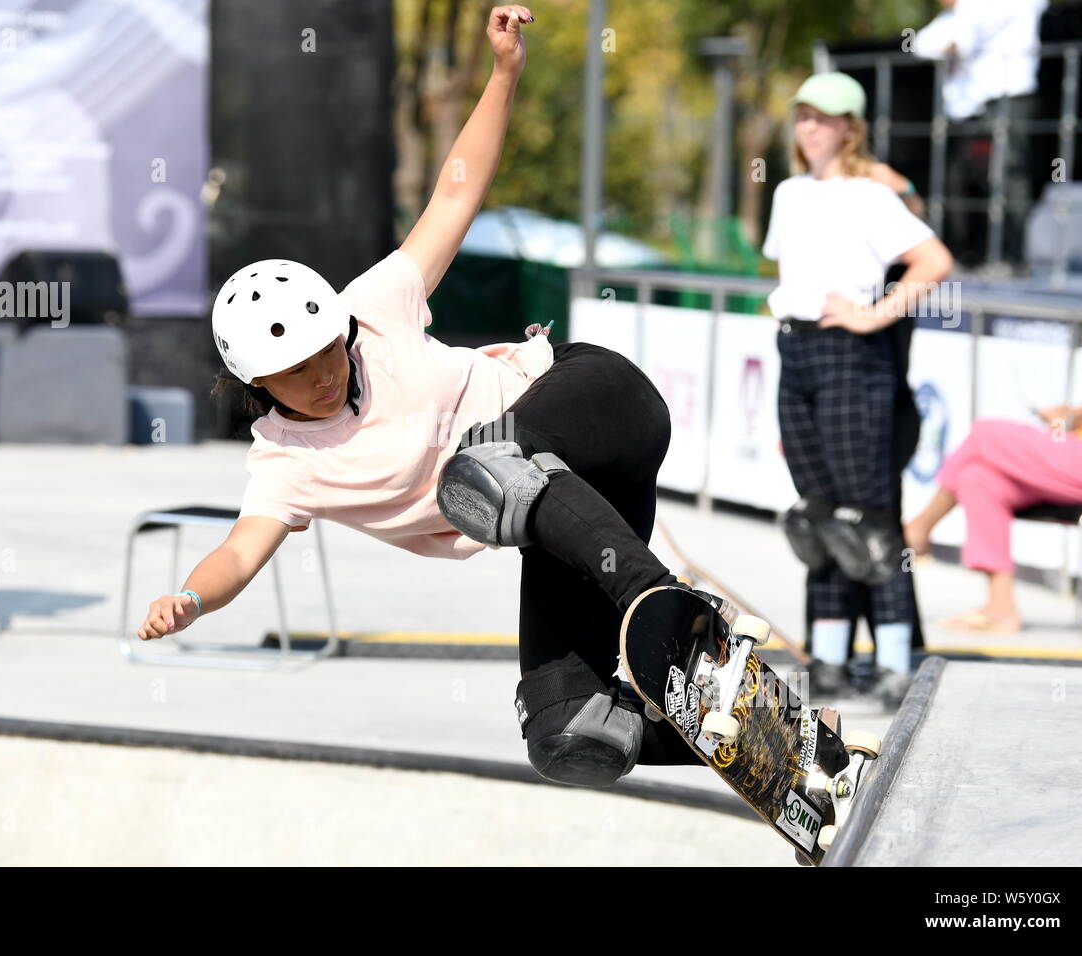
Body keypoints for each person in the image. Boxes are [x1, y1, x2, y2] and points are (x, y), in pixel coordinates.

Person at [138, 6, 710, 789]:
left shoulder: (375, 305)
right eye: (297, 373)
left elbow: (453, 196)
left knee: (484, 469)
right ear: (255, 388)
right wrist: (188, 600)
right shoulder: (285, 463)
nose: (326, 372)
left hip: (598, 398)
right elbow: (240, 553)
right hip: (575, 520)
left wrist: (505, 71)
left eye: (328, 349)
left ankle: (662, 606)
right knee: (566, 732)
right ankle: (765, 737)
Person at [763, 72, 954, 708]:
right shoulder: (789, 192)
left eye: (825, 116)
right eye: (803, 115)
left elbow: (934, 262)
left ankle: (898, 663)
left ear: (851, 125)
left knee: (868, 519)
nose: (810, 126)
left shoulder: (870, 193)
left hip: (852, 352)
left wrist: (876, 314)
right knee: (818, 515)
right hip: (797, 348)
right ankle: (831, 661)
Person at [904, 392, 1082, 633]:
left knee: (985, 434)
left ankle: (918, 529)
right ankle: (1001, 607)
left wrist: (1064, 419)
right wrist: (1067, 418)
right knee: (979, 479)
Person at [912, 0, 1048, 268]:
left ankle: (1014, 257)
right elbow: (921, 44)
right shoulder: (964, 12)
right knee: (968, 175)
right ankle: (970, 254)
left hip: (1012, 96)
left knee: (1010, 174)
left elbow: (970, 30)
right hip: (979, 106)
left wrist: (955, 40)